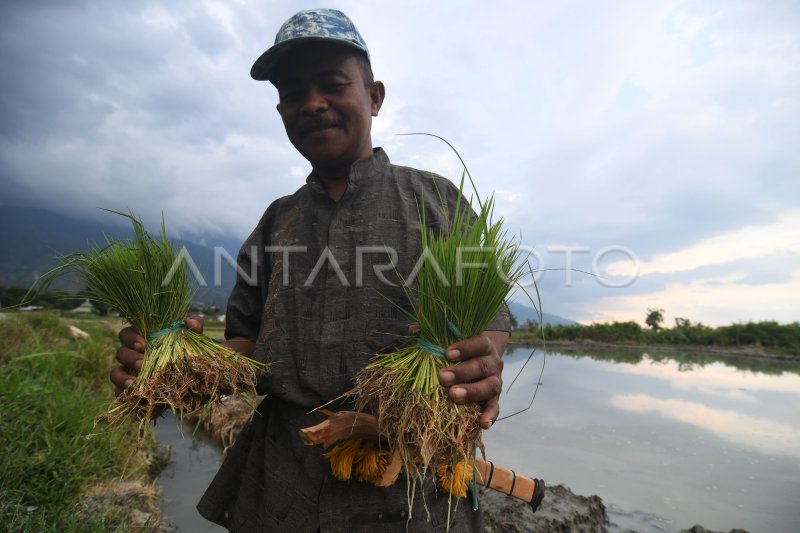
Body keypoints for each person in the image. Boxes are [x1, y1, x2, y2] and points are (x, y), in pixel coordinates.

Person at [111, 9, 510, 532]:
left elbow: (492, 320)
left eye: (332, 84)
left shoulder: (437, 202)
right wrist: (176, 366)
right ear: (281, 111)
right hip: (282, 487)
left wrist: (483, 361)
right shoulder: (277, 222)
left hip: (410, 491)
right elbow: (244, 347)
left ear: (375, 96)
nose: (313, 103)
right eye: (295, 93)